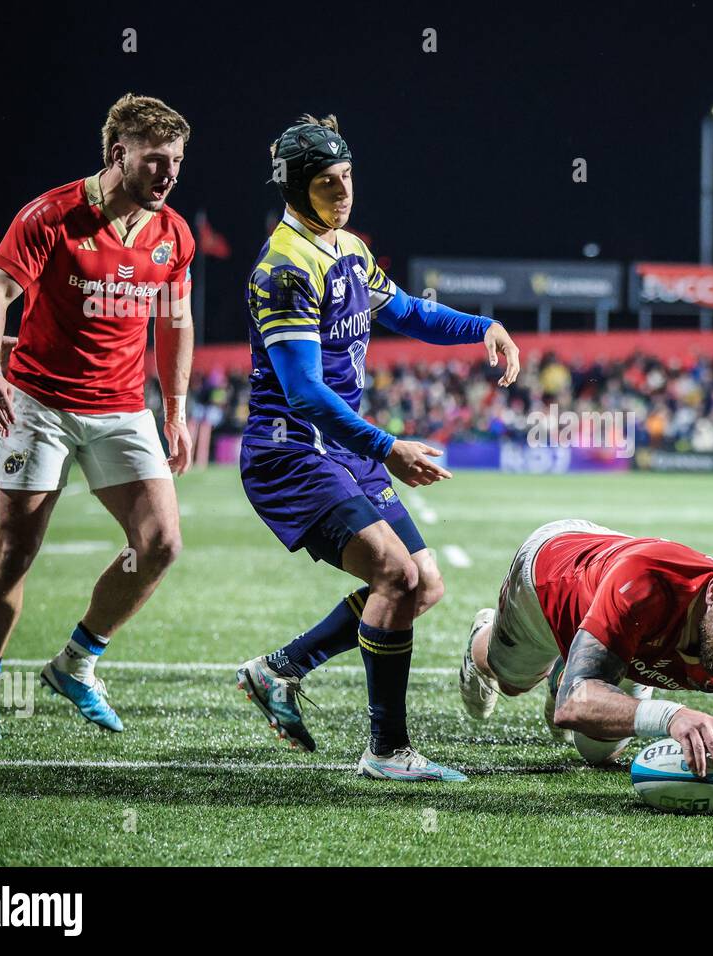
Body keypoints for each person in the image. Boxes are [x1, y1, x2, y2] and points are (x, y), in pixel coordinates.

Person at [234, 114, 520, 782]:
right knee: (395, 574)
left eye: (348, 178)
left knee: (425, 583)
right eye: (328, 183)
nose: (343, 192)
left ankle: (279, 671)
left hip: (341, 448)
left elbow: (412, 315)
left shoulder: (350, 249)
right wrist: (387, 446)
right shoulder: (284, 268)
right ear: (298, 187)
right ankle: (387, 751)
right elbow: (303, 392)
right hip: (293, 453)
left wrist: (485, 326)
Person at [0, 94, 195, 740]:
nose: (169, 175)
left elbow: (176, 322)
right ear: (118, 153)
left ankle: (78, 660)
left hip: (122, 408)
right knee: (14, 552)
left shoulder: (173, 234)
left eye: (176, 162)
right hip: (40, 404)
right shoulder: (52, 215)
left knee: (161, 544)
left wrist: (174, 410)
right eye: (156, 161)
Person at [459, 519, 713, 806]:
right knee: (513, 682)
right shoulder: (647, 586)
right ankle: (486, 635)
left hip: (630, 639)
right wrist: (671, 716)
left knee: (598, 753)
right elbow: (572, 704)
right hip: (553, 575)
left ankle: (580, 665)